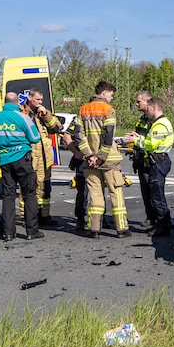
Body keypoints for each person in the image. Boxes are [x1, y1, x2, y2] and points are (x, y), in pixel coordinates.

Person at [75, 81, 131, 239]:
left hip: (90, 161)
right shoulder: (108, 109)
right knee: (116, 192)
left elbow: (78, 135)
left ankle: (94, 229)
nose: (112, 98)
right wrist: (100, 157)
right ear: (104, 93)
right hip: (109, 160)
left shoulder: (83, 110)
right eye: (111, 95)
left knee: (95, 194)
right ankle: (122, 229)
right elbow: (109, 135)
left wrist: (89, 155)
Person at [0, 92, 43, 241]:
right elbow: (35, 138)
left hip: (4, 160)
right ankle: (32, 231)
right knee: (29, 194)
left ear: (4, 102)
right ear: (17, 103)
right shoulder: (23, 117)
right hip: (22, 158)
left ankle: (9, 233)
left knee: (8, 196)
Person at [124, 96, 174, 236]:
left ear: (154, 108)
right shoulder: (159, 123)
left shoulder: (160, 125)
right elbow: (149, 140)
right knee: (155, 195)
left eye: (148, 109)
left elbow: (150, 144)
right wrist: (138, 137)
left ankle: (163, 226)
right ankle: (162, 223)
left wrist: (135, 141)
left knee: (157, 197)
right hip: (157, 161)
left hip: (157, 162)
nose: (147, 111)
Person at [22, 88, 63, 227]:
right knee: (29, 187)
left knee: (45, 187)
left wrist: (45, 115)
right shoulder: (22, 113)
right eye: (37, 99)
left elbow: (56, 128)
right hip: (30, 157)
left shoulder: (43, 113)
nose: (40, 102)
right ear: (29, 98)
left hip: (44, 158)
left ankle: (44, 215)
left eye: (41, 100)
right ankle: (27, 216)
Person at [127, 91, 156, 229]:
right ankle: (150, 217)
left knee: (154, 192)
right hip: (140, 159)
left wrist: (138, 139)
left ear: (147, 102)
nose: (137, 104)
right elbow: (141, 135)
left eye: (139, 101)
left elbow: (151, 141)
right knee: (145, 191)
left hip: (151, 160)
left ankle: (160, 220)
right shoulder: (142, 119)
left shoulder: (154, 120)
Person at [62, 122, 89, 232]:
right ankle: (83, 219)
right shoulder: (80, 120)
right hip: (85, 160)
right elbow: (66, 136)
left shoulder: (81, 119)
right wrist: (76, 153)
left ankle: (85, 220)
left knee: (87, 191)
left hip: (90, 159)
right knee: (86, 191)